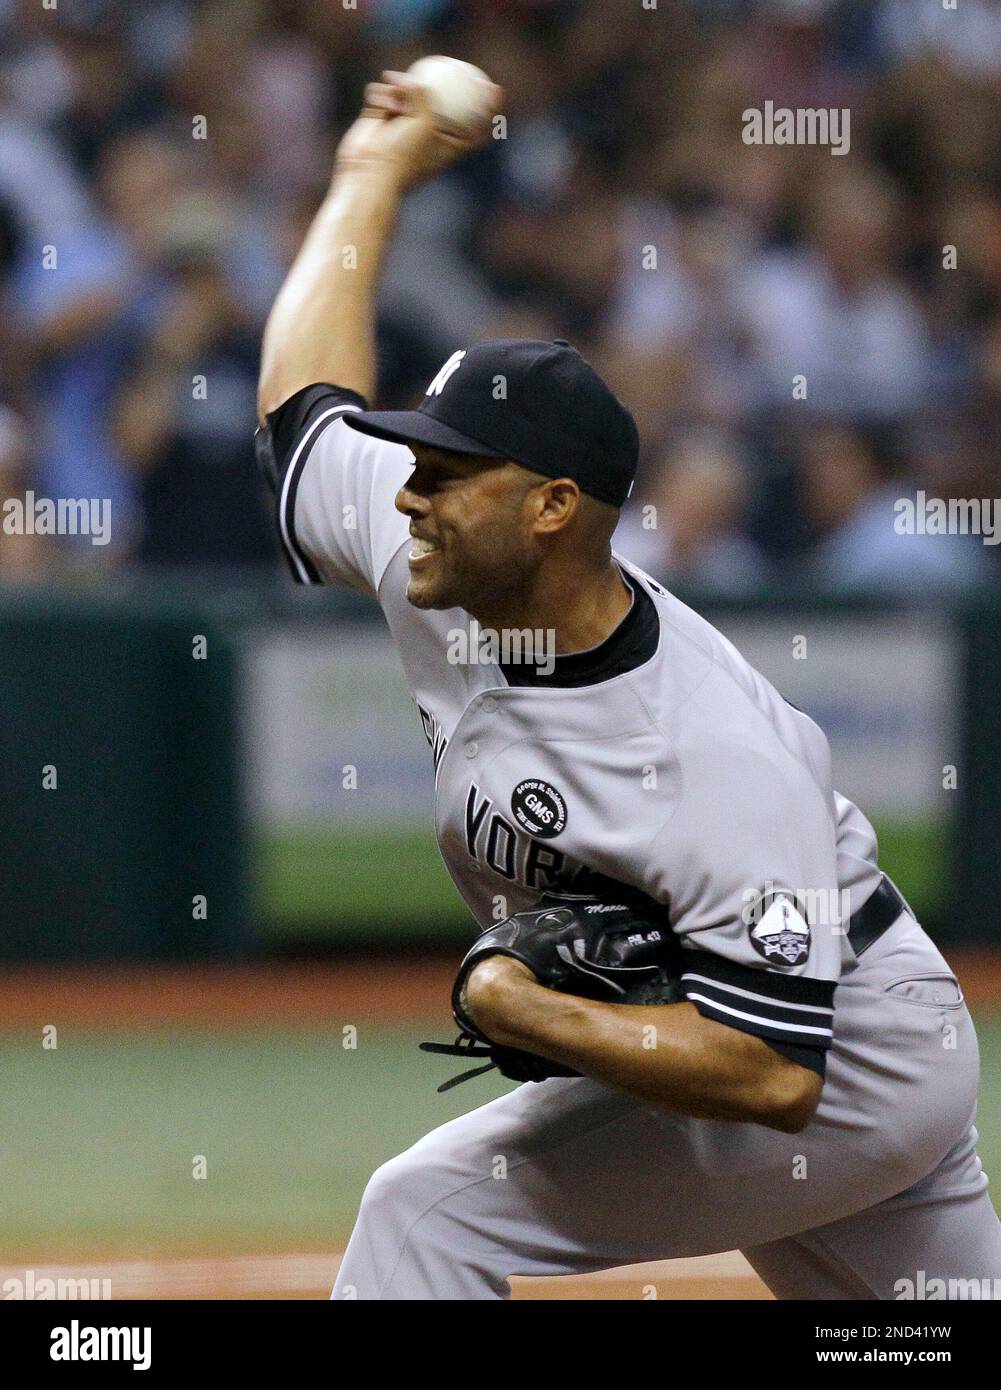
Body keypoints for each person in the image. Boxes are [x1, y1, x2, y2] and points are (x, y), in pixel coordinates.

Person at [256, 71, 1001, 1300]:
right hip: (833, 1046)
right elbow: (304, 414)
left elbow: (772, 1072)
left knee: (429, 1215)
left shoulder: (706, 748)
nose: (405, 497)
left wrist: (524, 1007)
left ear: (551, 506)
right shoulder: (435, 554)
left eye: (445, 471)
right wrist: (367, 177)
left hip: (846, 1052)